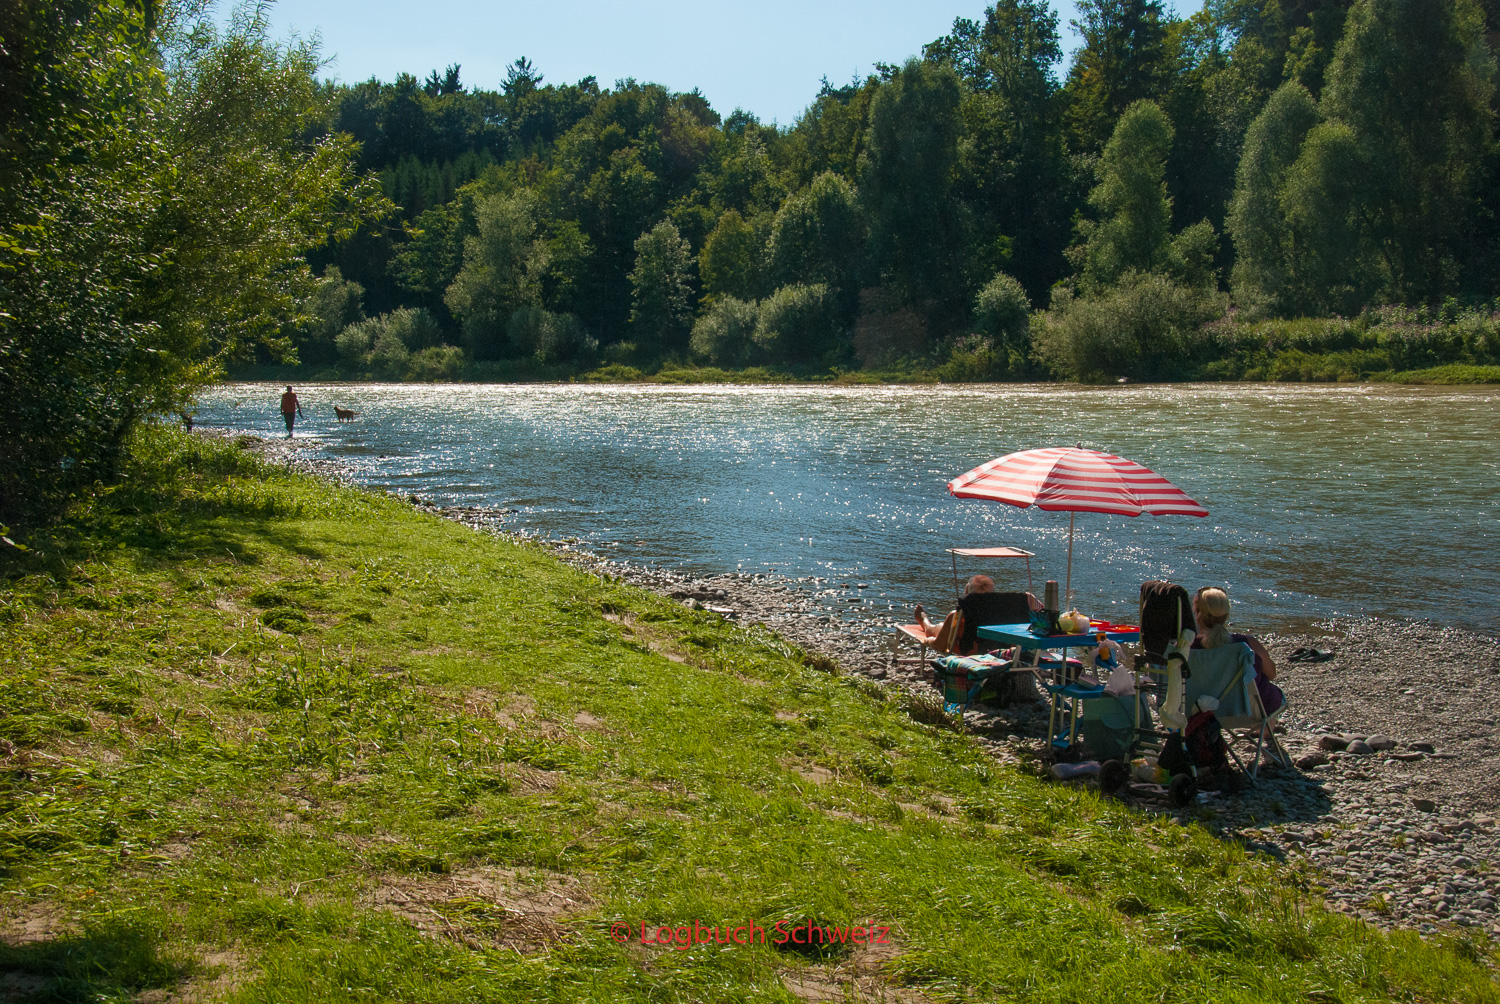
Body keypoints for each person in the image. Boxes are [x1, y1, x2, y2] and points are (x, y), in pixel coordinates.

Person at [1191, 586, 1283, 714]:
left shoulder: (1187, 647)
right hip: (1247, 710)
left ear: (1198, 615)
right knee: (1270, 692)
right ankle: (1264, 731)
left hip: (1197, 710)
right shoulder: (1247, 644)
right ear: (1227, 615)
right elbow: (1271, 674)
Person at [913, 575, 1042, 656]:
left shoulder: (959, 616)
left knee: (937, 628)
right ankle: (927, 622)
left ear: (967, 593)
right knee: (942, 626)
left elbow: (938, 645)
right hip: (1003, 650)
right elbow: (1042, 610)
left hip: (970, 650)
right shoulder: (1009, 611)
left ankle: (924, 620)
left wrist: (926, 641)